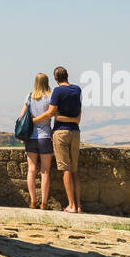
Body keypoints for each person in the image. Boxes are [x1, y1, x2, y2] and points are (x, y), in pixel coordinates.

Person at [50, 65, 82, 213]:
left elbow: (52, 112)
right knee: (74, 170)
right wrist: (72, 119)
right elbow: (78, 117)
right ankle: (79, 205)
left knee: (66, 170)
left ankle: (71, 205)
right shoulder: (77, 90)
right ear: (67, 75)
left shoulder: (57, 91)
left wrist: (58, 117)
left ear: (56, 79)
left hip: (61, 132)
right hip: (75, 133)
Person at [22, 72, 54, 209]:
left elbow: (22, 116)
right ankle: (44, 203)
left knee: (31, 170)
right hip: (45, 136)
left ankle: (33, 201)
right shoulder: (51, 97)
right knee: (45, 171)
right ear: (47, 82)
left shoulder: (29, 97)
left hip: (31, 138)